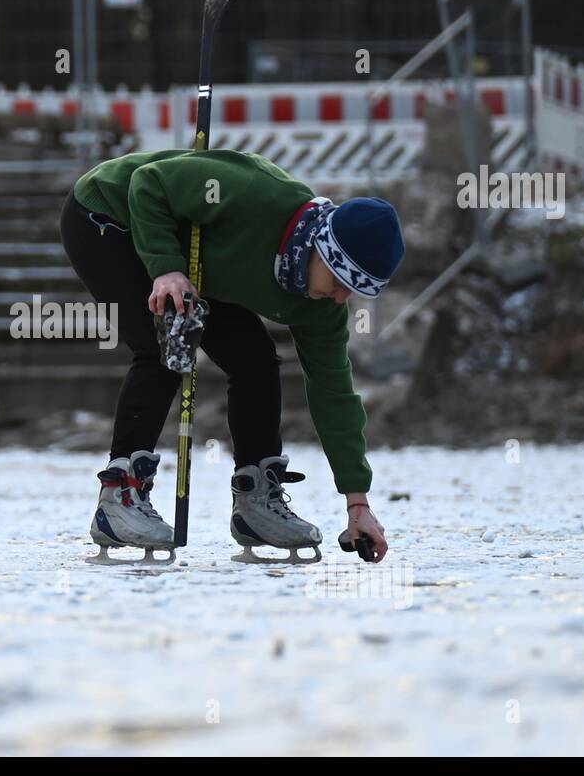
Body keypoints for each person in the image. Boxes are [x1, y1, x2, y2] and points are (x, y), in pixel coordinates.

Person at [60, 149, 405, 564]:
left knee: (256, 361)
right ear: (318, 248)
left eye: (355, 291)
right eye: (338, 280)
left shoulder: (321, 308)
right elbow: (148, 182)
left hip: (201, 261)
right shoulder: (254, 194)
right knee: (166, 343)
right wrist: (166, 267)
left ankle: (256, 500)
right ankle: (120, 496)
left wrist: (358, 504)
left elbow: (335, 395)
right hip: (111, 215)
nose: (340, 297)